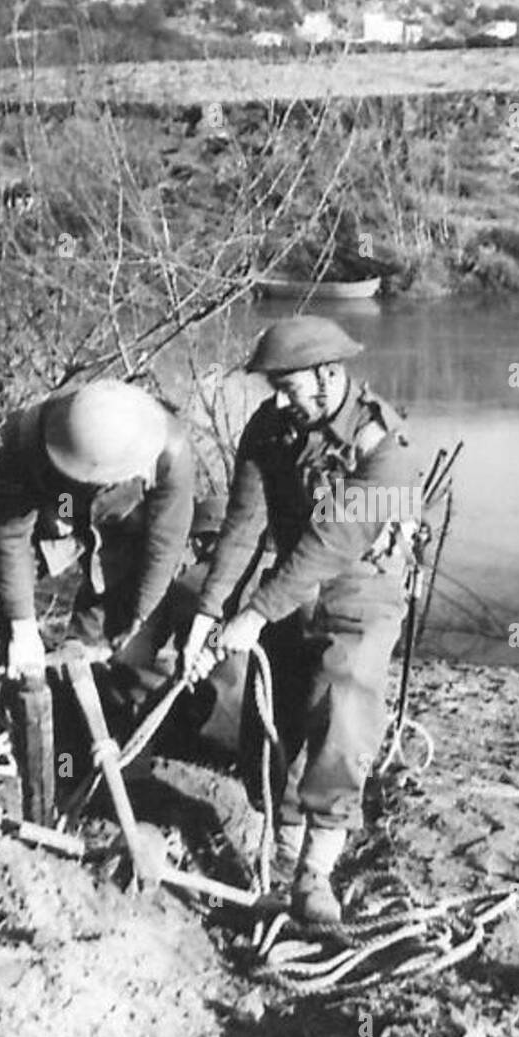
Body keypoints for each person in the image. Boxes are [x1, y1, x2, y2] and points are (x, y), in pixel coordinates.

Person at [181, 316, 418, 923]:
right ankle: (280, 849)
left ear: (329, 377)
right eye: (275, 389)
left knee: (340, 707)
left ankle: (315, 871)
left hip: (360, 590)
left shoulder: (385, 448)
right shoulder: (270, 428)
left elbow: (332, 544)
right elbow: (243, 525)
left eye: (288, 387)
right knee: (272, 714)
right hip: (291, 587)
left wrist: (255, 614)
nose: (278, 401)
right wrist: (209, 615)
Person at [0, 379, 193, 805]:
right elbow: (9, 536)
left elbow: (164, 547)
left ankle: (94, 751)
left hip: (124, 532)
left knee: (119, 643)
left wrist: (136, 619)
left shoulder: (171, 453)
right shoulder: (28, 437)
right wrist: (23, 625)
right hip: (52, 519)